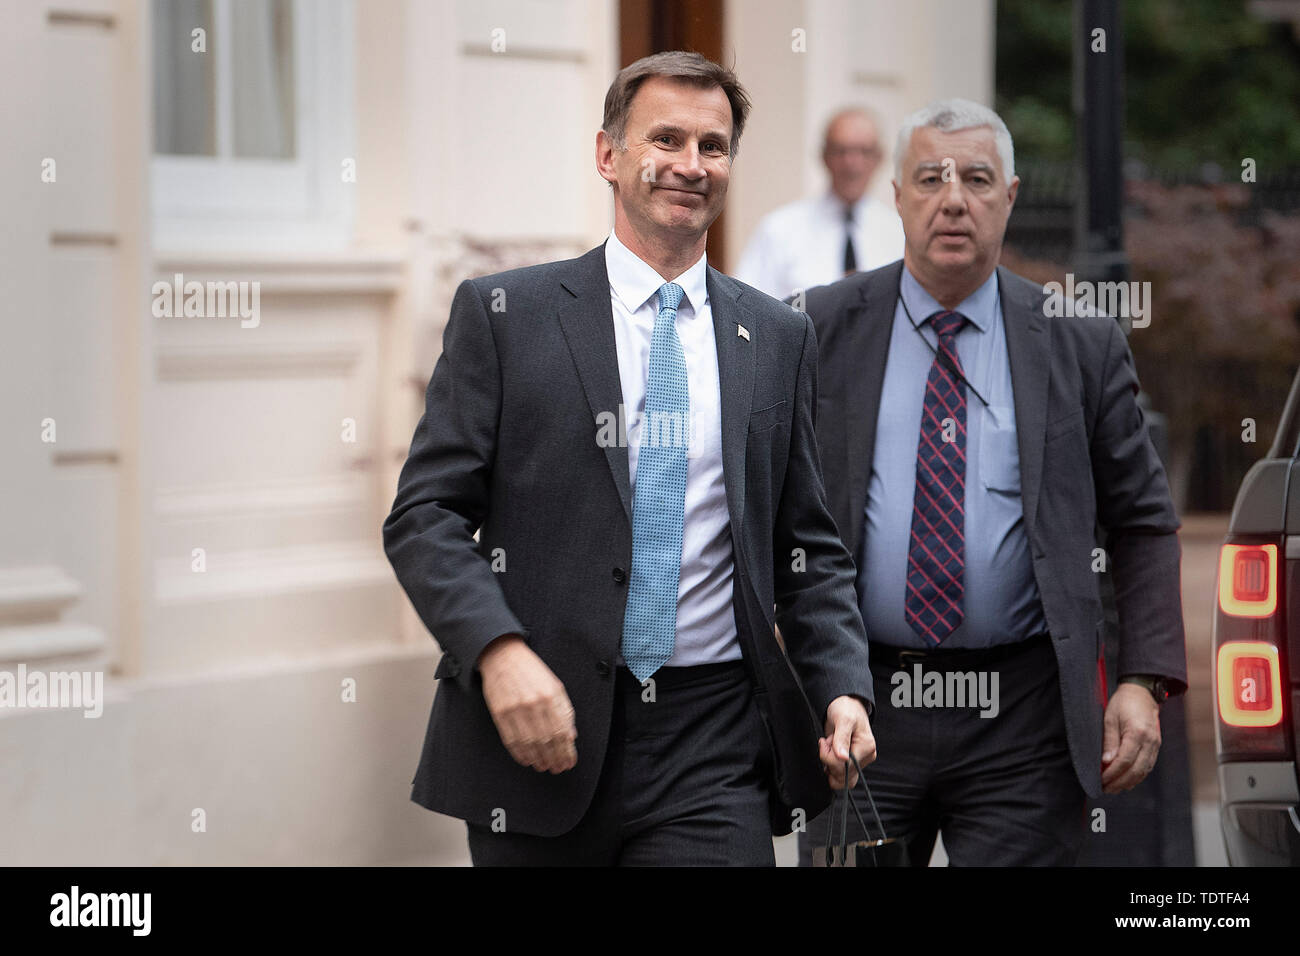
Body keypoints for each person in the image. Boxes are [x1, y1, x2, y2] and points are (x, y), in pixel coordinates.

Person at [383, 51, 876, 867]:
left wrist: (842, 685)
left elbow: (808, 547)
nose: (690, 165)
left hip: (713, 743)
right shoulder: (508, 317)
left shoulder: (779, 337)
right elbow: (425, 517)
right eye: (667, 139)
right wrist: (499, 656)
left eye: (712, 146)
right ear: (609, 155)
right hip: (541, 734)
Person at [797, 99, 1187, 866]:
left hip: (1024, 719)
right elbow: (771, 511)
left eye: (977, 179)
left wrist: (1144, 679)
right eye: (931, 178)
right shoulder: (816, 330)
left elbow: (1143, 520)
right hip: (864, 703)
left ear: (1008, 197)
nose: (953, 200)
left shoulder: (1081, 344)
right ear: (898, 196)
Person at [735, 107, 904, 300]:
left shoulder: (899, 233)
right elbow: (746, 305)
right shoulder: (778, 230)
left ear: (879, 158)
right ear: (824, 156)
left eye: (864, 151)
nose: (852, 163)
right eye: (841, 151)